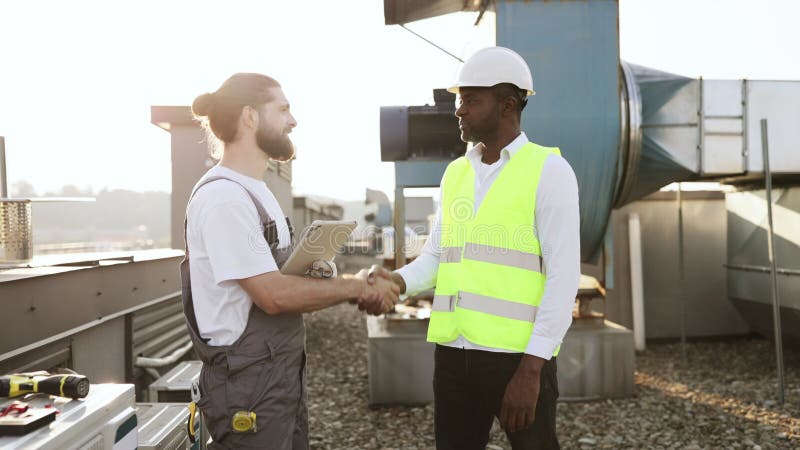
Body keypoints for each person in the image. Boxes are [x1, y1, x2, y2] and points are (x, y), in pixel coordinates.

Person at [180, 72, 400, 449]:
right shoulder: (224, 200)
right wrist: (355, 287)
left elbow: (278, 276)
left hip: (278, 376)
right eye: (282, 109)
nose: (293, 121)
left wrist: (319, 273)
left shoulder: (258, 192)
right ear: (249, 117)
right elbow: (273, 295)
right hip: (247, 386)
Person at [387, 47, 580, 449]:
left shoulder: (550, 171)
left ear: (508, 105)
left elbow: (563, 279)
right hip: (454, 357)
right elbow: (437, 258)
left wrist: (531, 370)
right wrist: (394, 283)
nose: (459, 110)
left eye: (471, 100)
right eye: (460, 100)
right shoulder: (456, 173)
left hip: (517, 361)